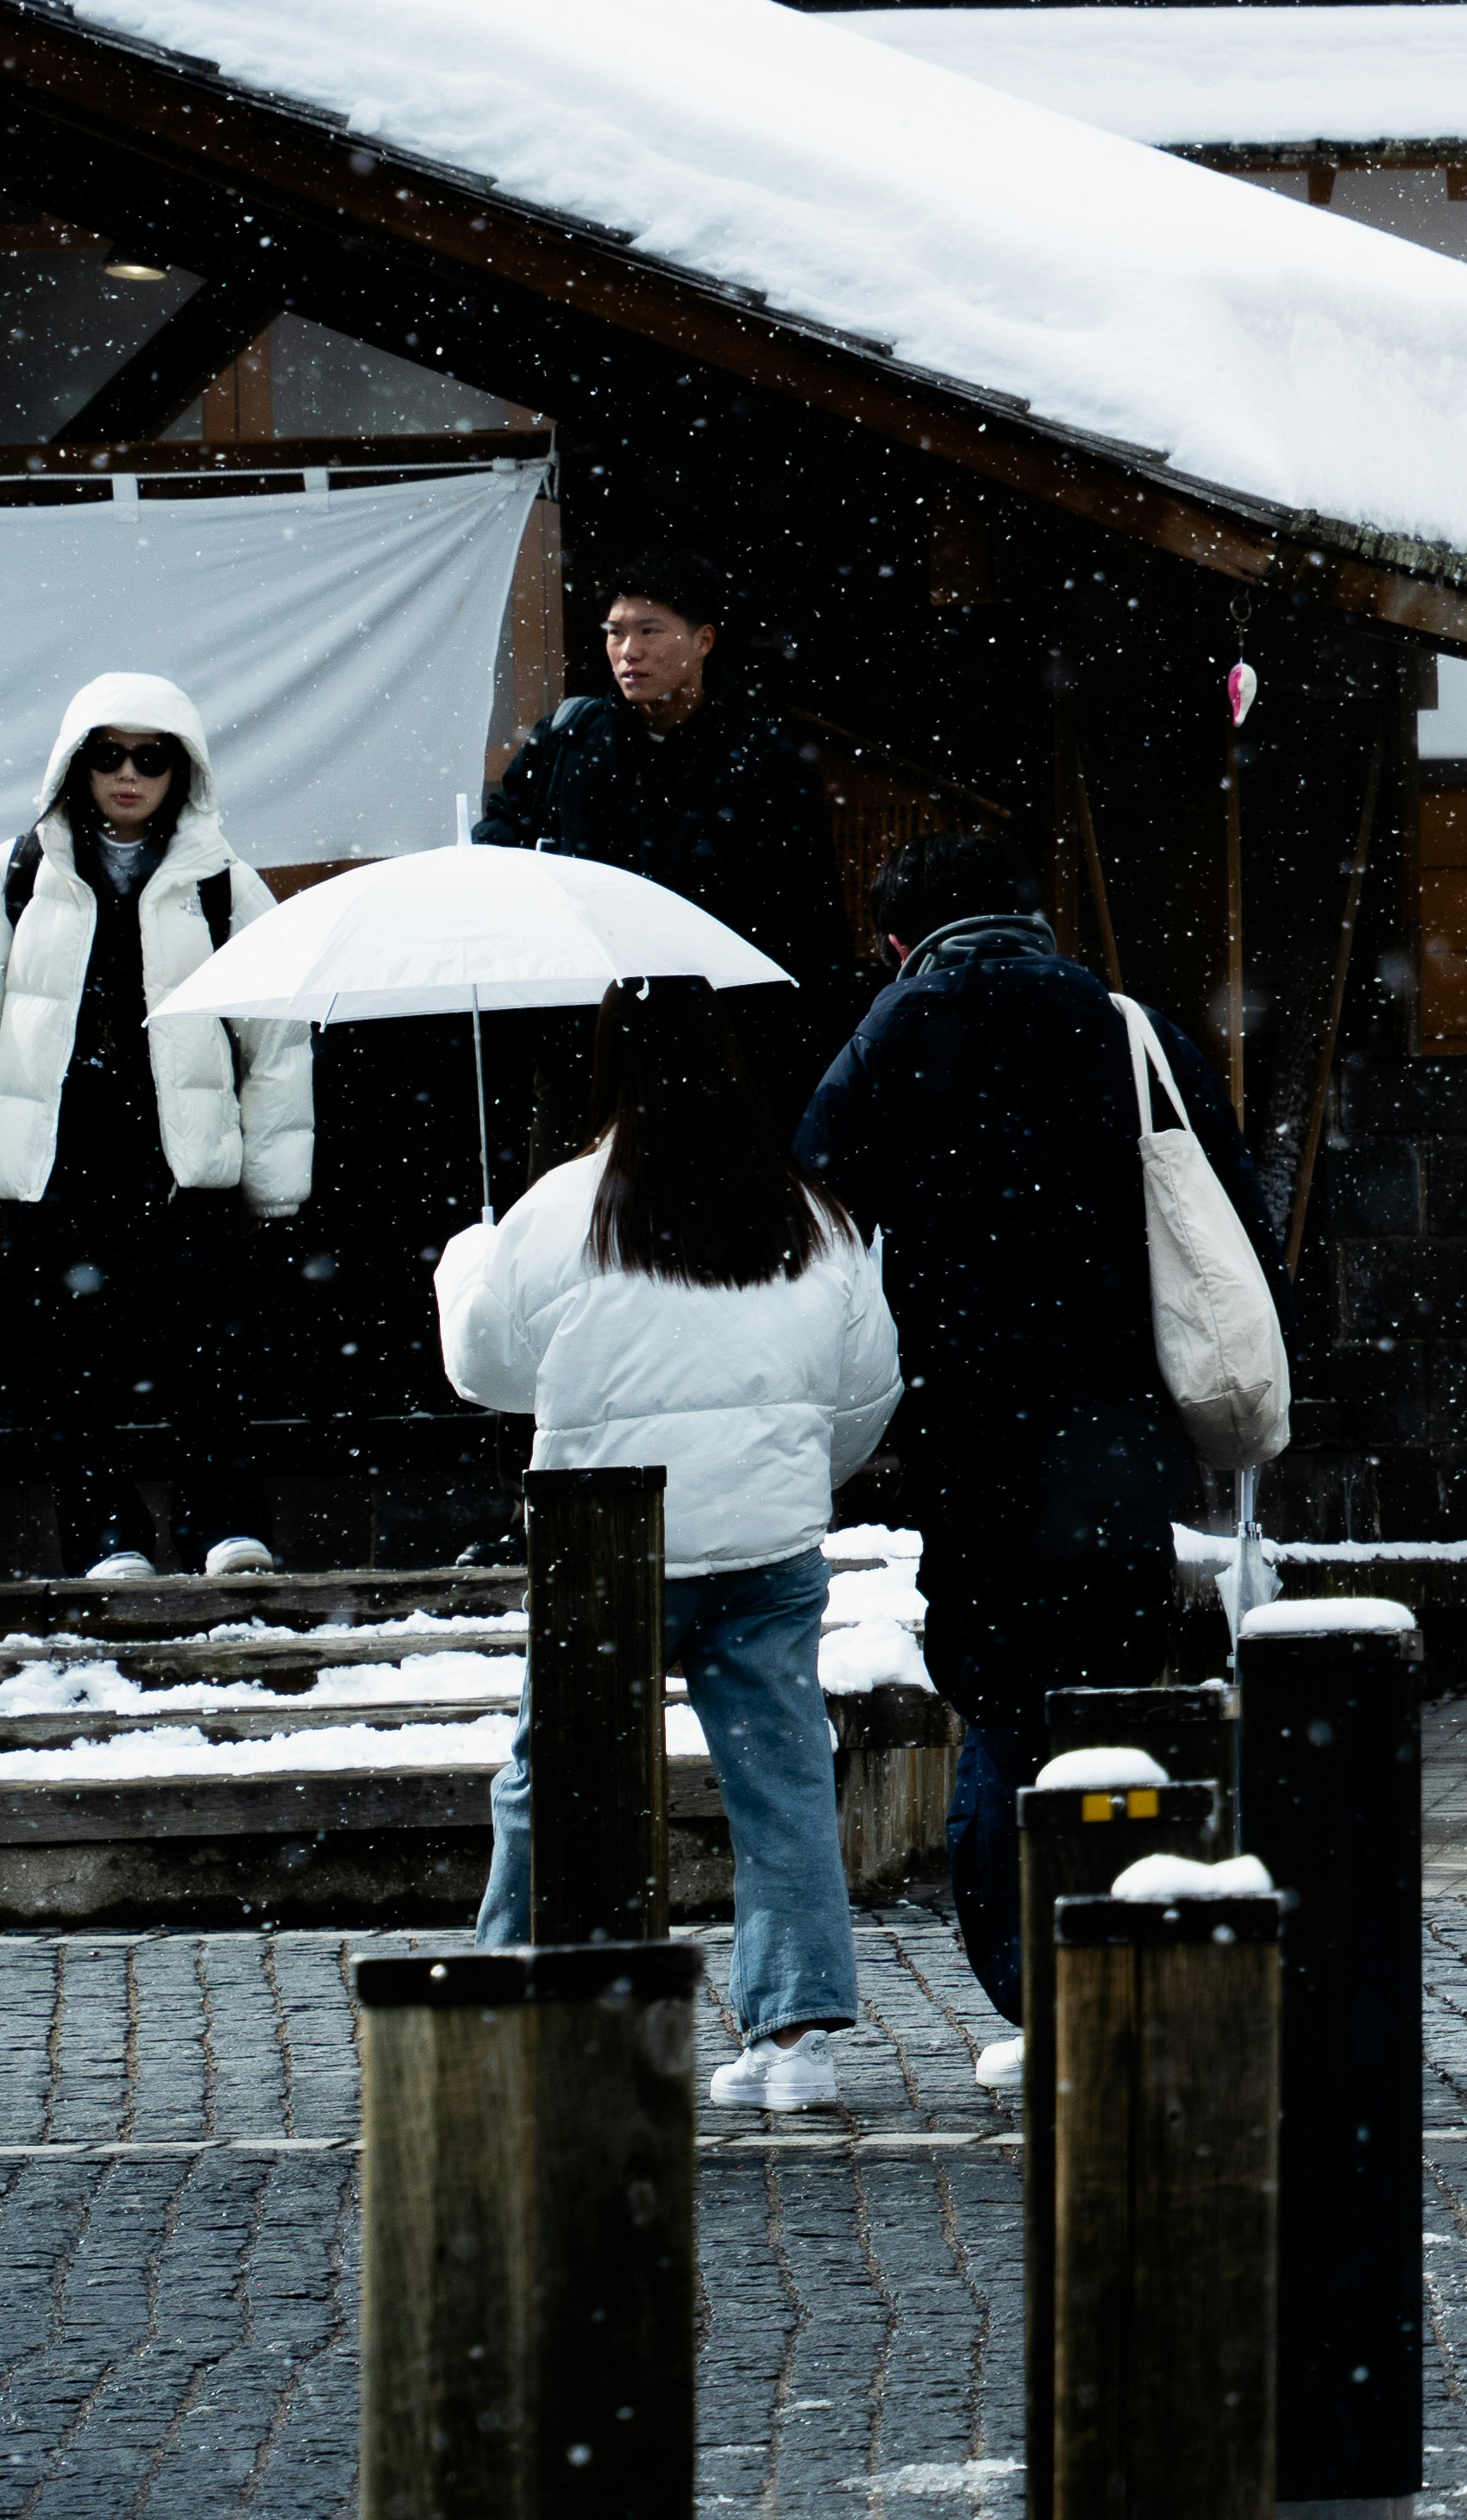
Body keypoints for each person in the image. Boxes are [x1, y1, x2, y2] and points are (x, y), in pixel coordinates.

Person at [797, 824, 1256, 2062]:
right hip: (1117, 1427)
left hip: (972, 1429)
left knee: (1001, 1697)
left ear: (903, 939)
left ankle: (1031, 1990)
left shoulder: (895, 1030)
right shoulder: (1125, 1025)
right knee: (1113, 1684)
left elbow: (816, 1204)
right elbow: (1230, 1201)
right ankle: (1124, 1941)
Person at [444, 975, 899, 2111]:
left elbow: (489, 1372)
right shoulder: (809, 1212)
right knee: (782, 1779)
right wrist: (788, 1470)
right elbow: (862, 1395)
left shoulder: (560, 1209)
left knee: (553, 1777)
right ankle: (797, 2037)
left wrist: (467, 1268)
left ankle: (517, 1996)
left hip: (604, 1540)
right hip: (767, 1543)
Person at [0, 676, 315, 1575]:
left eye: (152, 755)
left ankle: (224, 1523)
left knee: (205, 1349)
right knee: (69, 1355)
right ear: (75, 764)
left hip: (185, 1151)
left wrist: (276, 1179)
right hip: (59, 1150)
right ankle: (103, 1529)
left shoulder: (225, 884)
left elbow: (277, 1037)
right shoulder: (23, 872)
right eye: (108, 755)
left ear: (183, 767)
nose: (128, 774)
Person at [486, 549, 856, 1042]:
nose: (627, 650)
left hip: (718, 1029)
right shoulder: (568, 738)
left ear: (703, 640)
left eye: (649, 630)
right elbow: (500, 848)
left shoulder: (764, 761)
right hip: (580, 1027)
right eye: (615, 632)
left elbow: (809, 916)